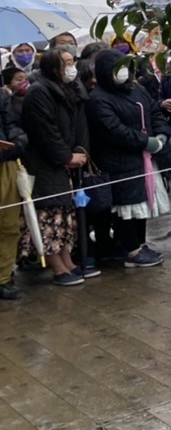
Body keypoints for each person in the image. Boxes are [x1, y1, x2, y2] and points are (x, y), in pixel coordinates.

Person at [85, 49, 171, 267]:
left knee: (141, 203)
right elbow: (113, 130)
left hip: (143, 160)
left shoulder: (137, 89)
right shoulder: (98, 99)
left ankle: (140, 244)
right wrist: (144, 141)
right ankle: (131, 249)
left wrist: (161, 134)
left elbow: (155, 112)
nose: (123, 72)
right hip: (119, 161)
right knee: (125, 208)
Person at [20, 48, 93, 285]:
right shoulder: (38, 92)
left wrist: (80, 151)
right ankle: (57, 267)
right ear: (53, 67)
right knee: (49, 215)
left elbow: (78, 125)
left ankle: (68, 260)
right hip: (45, 165)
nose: (72, 67)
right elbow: (45, 131)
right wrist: (65, 156)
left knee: (64, 216)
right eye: (66, 63)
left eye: (73, 62)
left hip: (66, 163)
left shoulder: (71, 90)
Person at [0, 84, 27, 299]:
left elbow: (11, 123)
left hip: (5, 165)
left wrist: (18, 140)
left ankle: (3, 277)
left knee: (8, 225)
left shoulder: (2, 95)